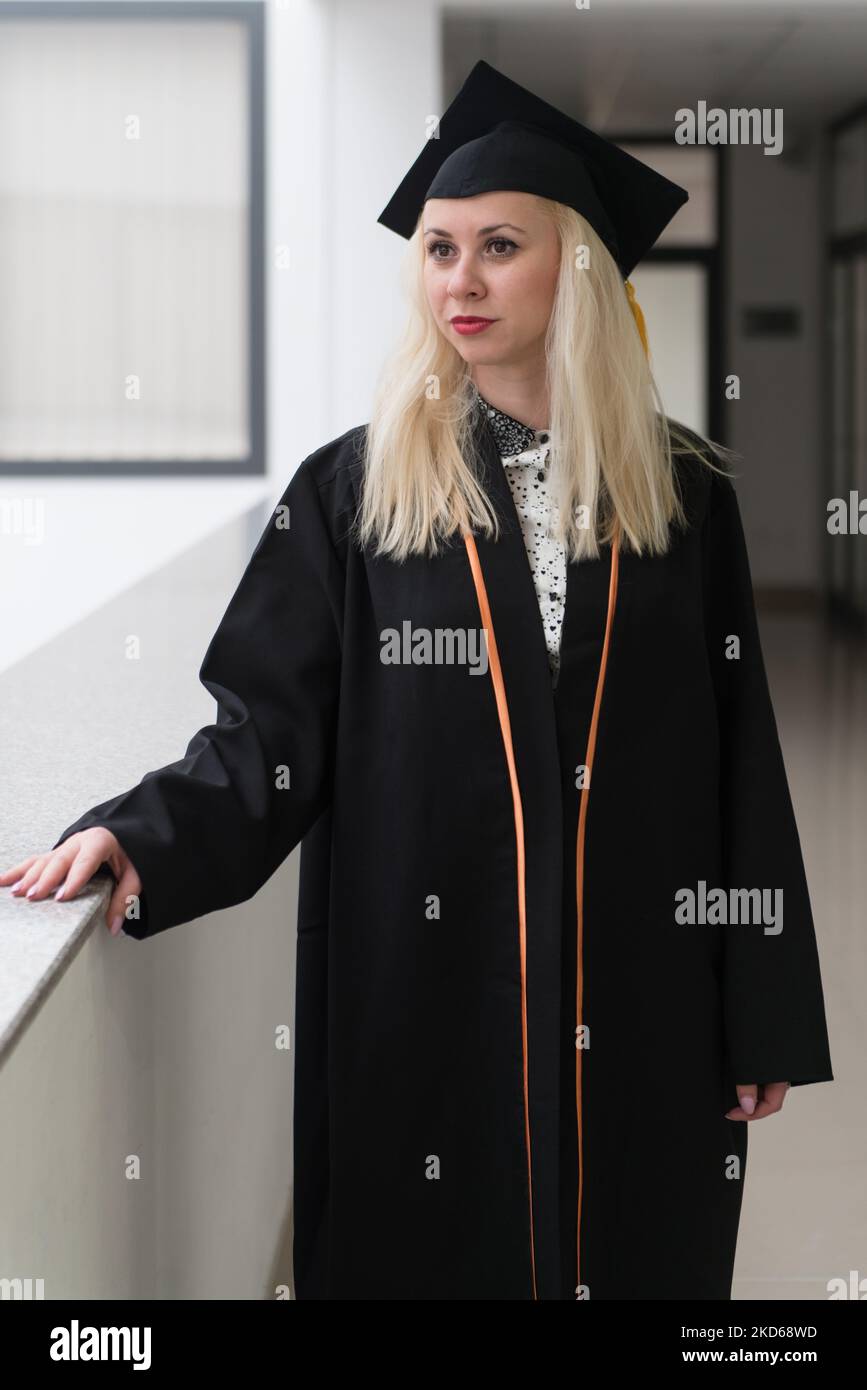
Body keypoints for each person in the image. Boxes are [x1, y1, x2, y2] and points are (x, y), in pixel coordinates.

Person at [0, 60, 833, 1301]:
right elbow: (271, 729)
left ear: (580, 271)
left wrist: (759, 1000)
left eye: (501, 245)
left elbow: (739, 759)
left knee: (637, 1240)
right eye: (440, 249)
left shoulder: (681, 494)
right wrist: (143, 833)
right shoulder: (358, 491)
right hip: (428, 971)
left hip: (642, 978)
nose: (462, 279)